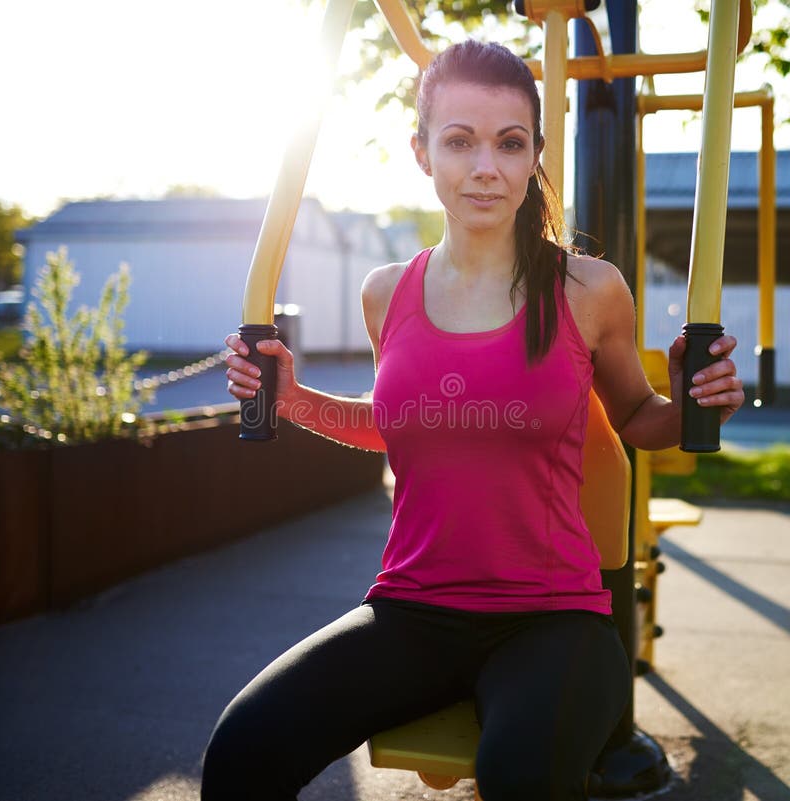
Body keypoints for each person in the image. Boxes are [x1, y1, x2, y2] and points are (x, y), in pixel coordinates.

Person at [202, 40, 744, 801]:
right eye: (459, 141)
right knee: (242, 751)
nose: (486, 167)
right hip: (411, 609)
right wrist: (292, 399)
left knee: (519, 780)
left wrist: (692, 401)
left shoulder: (589, 290)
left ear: (534, 156)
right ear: (422, 152)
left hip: (553, 619)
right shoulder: (386, 292)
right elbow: (404, 424)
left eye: (509, 143)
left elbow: (635, 417)